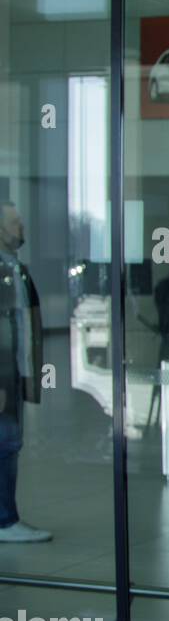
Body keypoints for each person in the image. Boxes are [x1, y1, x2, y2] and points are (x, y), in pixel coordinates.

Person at [0, 201, 50, 544]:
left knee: (10, 443)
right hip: (3, 374)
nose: (21, 229)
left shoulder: (15, 268)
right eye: (15, 223)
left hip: (13, 372)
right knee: (7, 443)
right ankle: (5, 521)